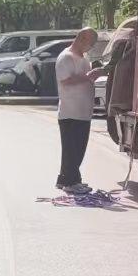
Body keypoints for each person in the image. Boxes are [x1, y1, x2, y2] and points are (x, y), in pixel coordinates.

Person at [55, 27, 102, 192]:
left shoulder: (83, 58)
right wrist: (88, 77)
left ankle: (65, 179)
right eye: (91, 43)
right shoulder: (66, 57)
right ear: (82, 39)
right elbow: (65, 81)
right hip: (70, 112)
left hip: (83, 112)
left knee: (78, 149)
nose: (91, 47)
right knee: (72, 150)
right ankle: (71, 183)